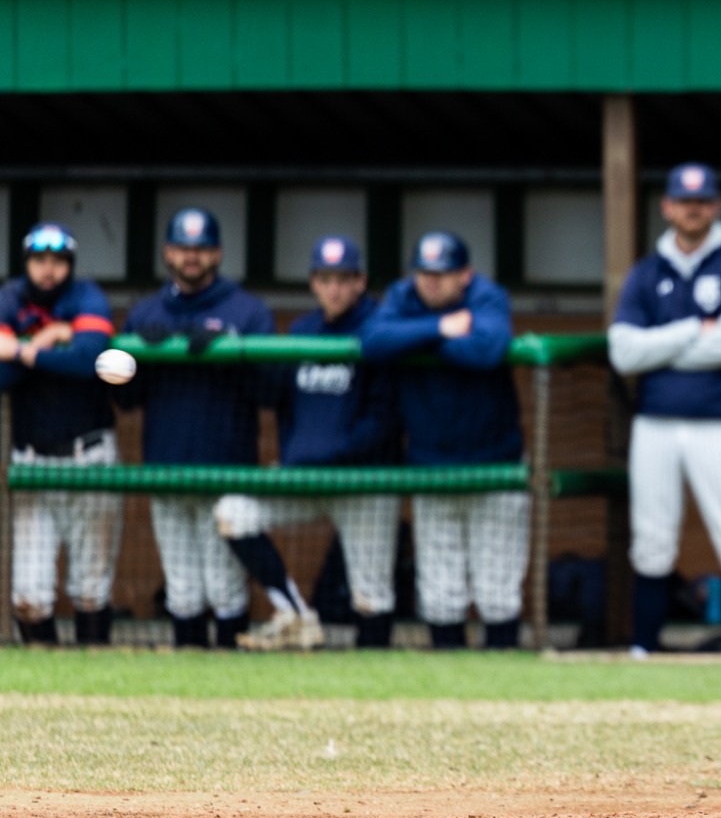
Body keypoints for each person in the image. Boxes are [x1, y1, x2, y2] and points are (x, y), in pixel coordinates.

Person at [608, 162, 721, 659]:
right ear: (667, 207)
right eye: (684, 200)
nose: (693, 208)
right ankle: (643, 648)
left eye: (702, 201)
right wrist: (693, 331)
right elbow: (623, 353)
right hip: (654, 424)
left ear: (715, 207)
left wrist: (659, 346)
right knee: (652, 537)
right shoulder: (646, 271)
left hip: (720, 425)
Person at [220, 236, 402, 651]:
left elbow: (384, 418)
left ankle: (377, 687)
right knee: (233, 513)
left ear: (361, 282)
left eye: (343, 279)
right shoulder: (302, 331)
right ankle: (297, 616)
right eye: (325, 279)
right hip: (305, 476)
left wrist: (322, 456)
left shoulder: (380, 330)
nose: (334, 289)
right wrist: (229, 349)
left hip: (364, 483)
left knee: (370, 598)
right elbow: (276, 398)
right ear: (313, 283)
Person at [359, 231, 524, 650]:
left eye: (443, 274)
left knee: (497, 589)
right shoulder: (402, 296)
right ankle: (447, 687)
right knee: (440, 591)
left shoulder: (487, 295)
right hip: (431, 462)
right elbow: (373, 342)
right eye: (425, 274)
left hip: (495, 463)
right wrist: (441, 328)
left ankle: (505, 685)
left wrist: (414, 338)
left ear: (465, 275)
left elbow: (486, 350)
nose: (431, 282)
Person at [122, 207, 275, 649]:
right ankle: (188, 677)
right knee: (183, 586)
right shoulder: (146, 312)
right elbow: (125, 399)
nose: (192, 257)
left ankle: (230, 676)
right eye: (183, 248)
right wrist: (139, 359)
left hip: (226, 469)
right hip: (166, 468)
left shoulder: (247, 311)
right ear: (168, 253)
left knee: (224, 584)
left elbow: (271, 390)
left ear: (218, 253)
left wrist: (230, 351)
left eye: (202, 249)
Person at [0, 223, 120, 644]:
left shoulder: (85, 295)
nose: (48, 270)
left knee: (91, 588)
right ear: (27, 263)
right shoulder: (10, 297)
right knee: (28, 595)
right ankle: (51, 680)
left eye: (57, 261)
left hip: (90, 455)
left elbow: (91, 359)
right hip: (33, 462)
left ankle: (95, 681)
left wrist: (25, 349)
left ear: (68, 264)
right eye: (39, 261)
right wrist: (52, 340)